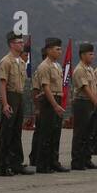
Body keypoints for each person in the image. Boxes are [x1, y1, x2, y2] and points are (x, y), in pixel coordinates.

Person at [0, 32, 33, 176]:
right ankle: (2, 164)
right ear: (11, 44)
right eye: (18, 42)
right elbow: (3, 84)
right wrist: (5, 103)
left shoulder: (21, 62)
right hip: (10, 96)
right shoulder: (6, 61)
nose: (22, 44)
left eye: (22, 42)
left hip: (19, 96)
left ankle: (16, 163)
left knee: (16, 131)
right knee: (6, 131)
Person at [32, 38, 68, 172]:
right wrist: (55, 105)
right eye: (57, 49)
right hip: (49, 101)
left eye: (60, 49)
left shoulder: (57, 66)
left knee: (55, 133)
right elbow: (46, 87)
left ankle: (53, 161)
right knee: (46, 134)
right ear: (48, 50)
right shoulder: (44, 66)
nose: (60, 51)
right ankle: (42, 164)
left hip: (57, 98)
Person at [70, 42, 97, 171]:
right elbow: (85, 88)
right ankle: (77, 161)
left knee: (89, 133)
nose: (92, 56)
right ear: (83, 55)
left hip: (89, 103)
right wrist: (96, 102)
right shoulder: (79, 70)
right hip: (82, 102)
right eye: (90, 54)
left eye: (93, 54)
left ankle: (86, 159)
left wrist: (95, 101)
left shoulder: (90, 69)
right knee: (80, 133)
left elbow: (94, 87)